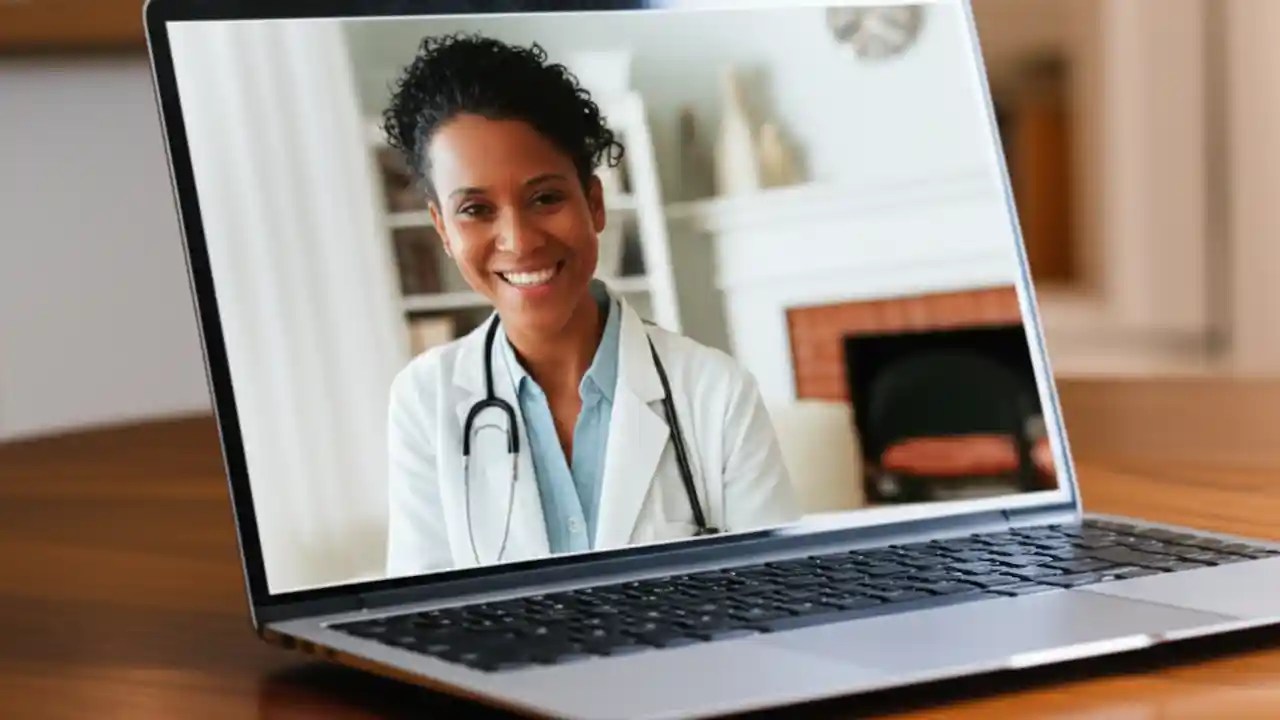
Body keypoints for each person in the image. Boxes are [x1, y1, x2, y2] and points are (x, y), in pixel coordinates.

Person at [382, 34, 799, 575]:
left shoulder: (716, 395)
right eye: (476, 209)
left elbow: (778, 598)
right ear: (442, 228)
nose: (519, 240)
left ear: (595, 203)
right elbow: (424, 624)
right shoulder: (424, 401)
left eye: (545, 198)